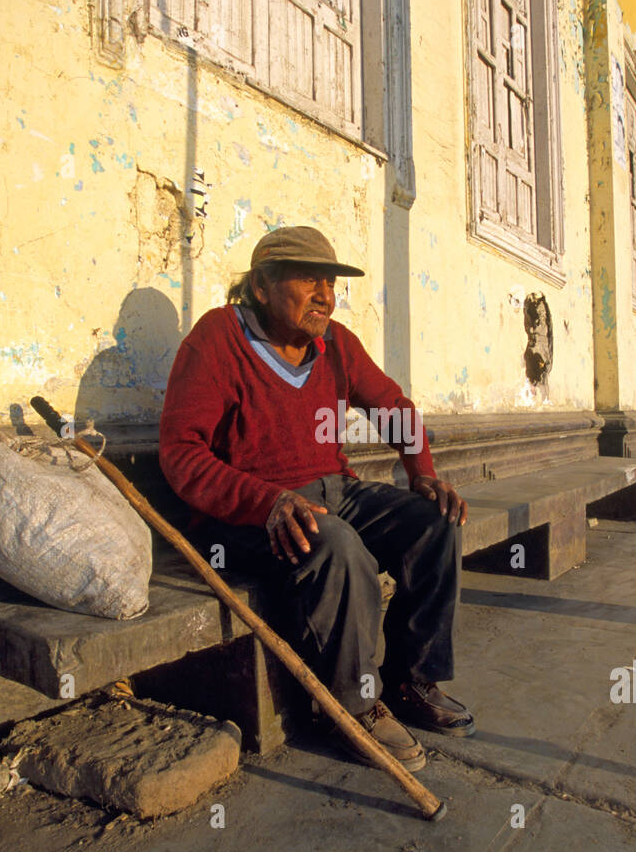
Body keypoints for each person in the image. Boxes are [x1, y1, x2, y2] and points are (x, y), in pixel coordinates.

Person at [158, 226, 474, 772]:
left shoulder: (336, 345)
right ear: (261, 285)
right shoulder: (216, 340)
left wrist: (421, 474)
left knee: (435, 522)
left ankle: (409, 680)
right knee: (338, 544)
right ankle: (350, 706)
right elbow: (181, 455)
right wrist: (267, 502)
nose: (326, 295)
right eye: (309, 280)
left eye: (330, 282)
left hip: (334, 491)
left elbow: (395, 407)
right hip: (246, 515)